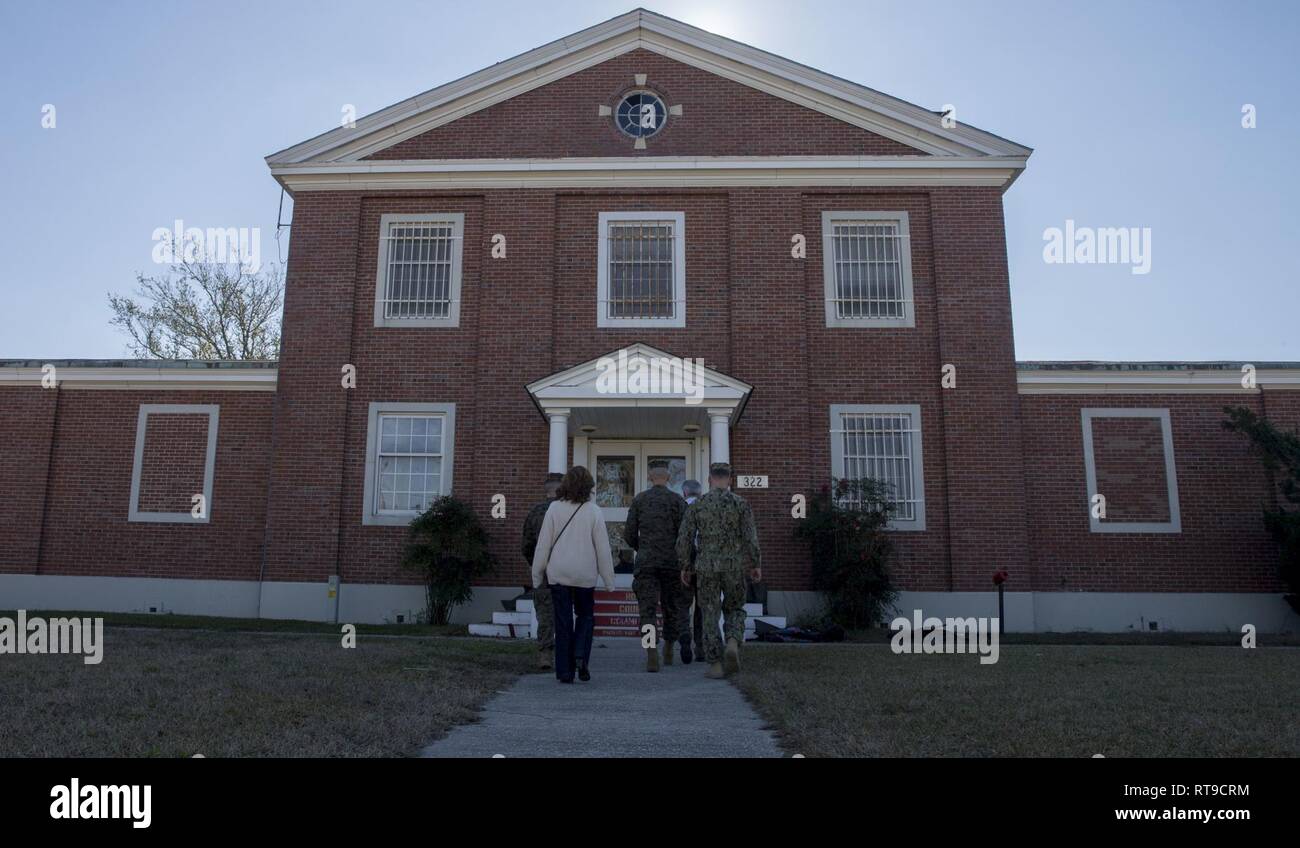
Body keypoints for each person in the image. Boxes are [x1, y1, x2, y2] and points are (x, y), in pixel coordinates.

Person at [531, 465, 615, 684]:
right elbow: (603, 549)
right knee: (586, 617)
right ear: (589, 486)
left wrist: (537, 574)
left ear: (566, 484)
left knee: (563, 621)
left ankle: (564, 672)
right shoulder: (593, 511)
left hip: (559, 574)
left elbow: (543, 545)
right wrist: (609, 580)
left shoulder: (554, 509)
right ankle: (581, 657)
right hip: (585, 575)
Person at [677, 462, 761, 679]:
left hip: (706, 567)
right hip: (734, 565)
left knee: (709, 613)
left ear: (709, 479)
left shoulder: (698, 505)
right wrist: (755, 563)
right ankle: (732, 641)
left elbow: (684, 538)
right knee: (735, 607)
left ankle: (715, 664)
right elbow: (751, 537)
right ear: (730, 480)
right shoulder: (741, 504)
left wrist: (685, 566)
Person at [624, 460, 688, 671]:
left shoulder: (640, 500)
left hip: (647, 562)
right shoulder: (677, 501)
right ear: (668, 478)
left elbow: (629, 534)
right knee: (672, 608)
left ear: (649, 477)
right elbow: (685, 535)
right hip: (671, 562)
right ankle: (669, 647)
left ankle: (651, 650)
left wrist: (642, 547)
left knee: (647, 610)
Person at [521, 474, 562, 669]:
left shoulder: (535, 512)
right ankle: (568, 653)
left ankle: (545, 654)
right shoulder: (568, 511)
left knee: (544, 613)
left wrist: (536, 563)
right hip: (566, 569)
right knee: (565, 612)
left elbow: (526, 545)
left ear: (546, 490)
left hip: (543, 569)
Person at [680, 478, 718, 664]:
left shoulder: (679, 508)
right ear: (700, 493)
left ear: (684, 493)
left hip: (685, 565)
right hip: (705, 563)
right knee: (702, 607)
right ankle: (700, 647)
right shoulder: (708, 507)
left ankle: (684, 642)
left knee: (683, 605)